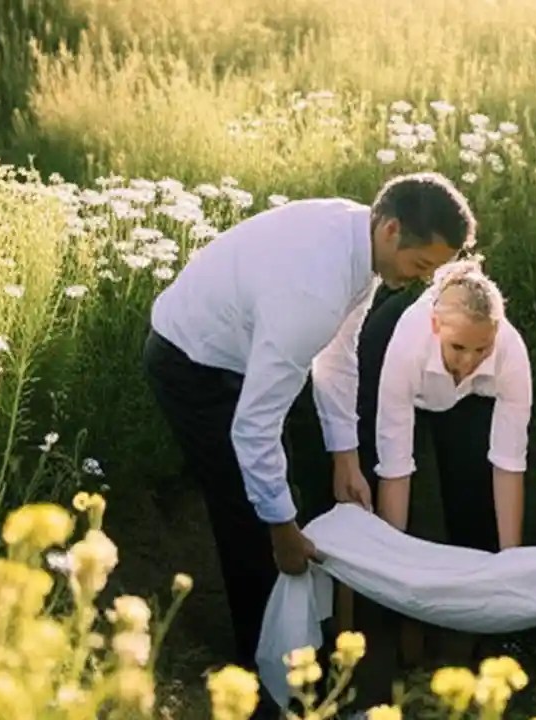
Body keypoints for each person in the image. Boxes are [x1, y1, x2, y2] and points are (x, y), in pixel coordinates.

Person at [141, 172, 475, 713]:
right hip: (192, 364)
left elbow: (338, 357)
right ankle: (263, 691)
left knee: (281, 490)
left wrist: (345, 457)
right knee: (249, 522)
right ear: (392, 230)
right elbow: (252, 426)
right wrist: (281, 531)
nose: (421, 279)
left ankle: (297, 664)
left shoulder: (359, 244)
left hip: (242, 347)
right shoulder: (313, 288)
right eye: (422, 265)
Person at [354, 258, 531, 667]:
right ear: (437, 329)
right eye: (458, 347)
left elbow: (508, 463)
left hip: (468, 400)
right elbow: (395, 466)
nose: (469, 360)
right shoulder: (406, 347)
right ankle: (387, 620)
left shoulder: (510, 353)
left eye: (481, 349)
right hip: (398, 376)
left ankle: (486, 613)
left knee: (472, 490)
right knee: (377, 484)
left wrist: (514, 565)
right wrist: (390, 572)